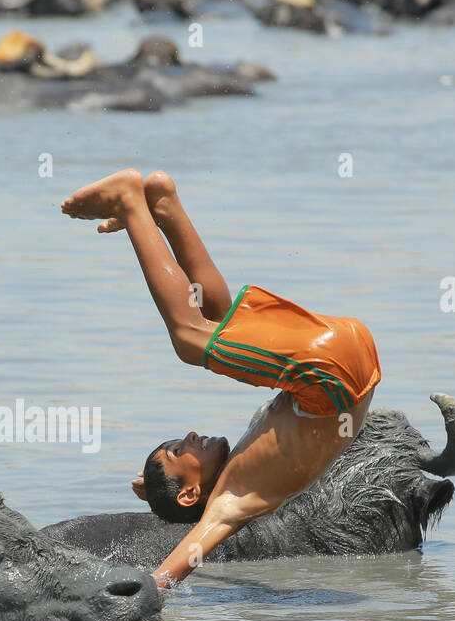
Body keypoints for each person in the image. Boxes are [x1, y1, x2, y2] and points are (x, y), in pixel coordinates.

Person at [61, 169, 381, 587]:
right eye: (179, 450)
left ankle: (162, 206)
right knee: (189, 340)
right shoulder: (230, 501)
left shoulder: (246, 463)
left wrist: (159, 484)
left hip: (351, 361)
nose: (190, 434)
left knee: (216, 321)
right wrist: (156, 587)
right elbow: (190, 551)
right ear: (191, 494)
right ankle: (131, 202)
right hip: (331, 373)